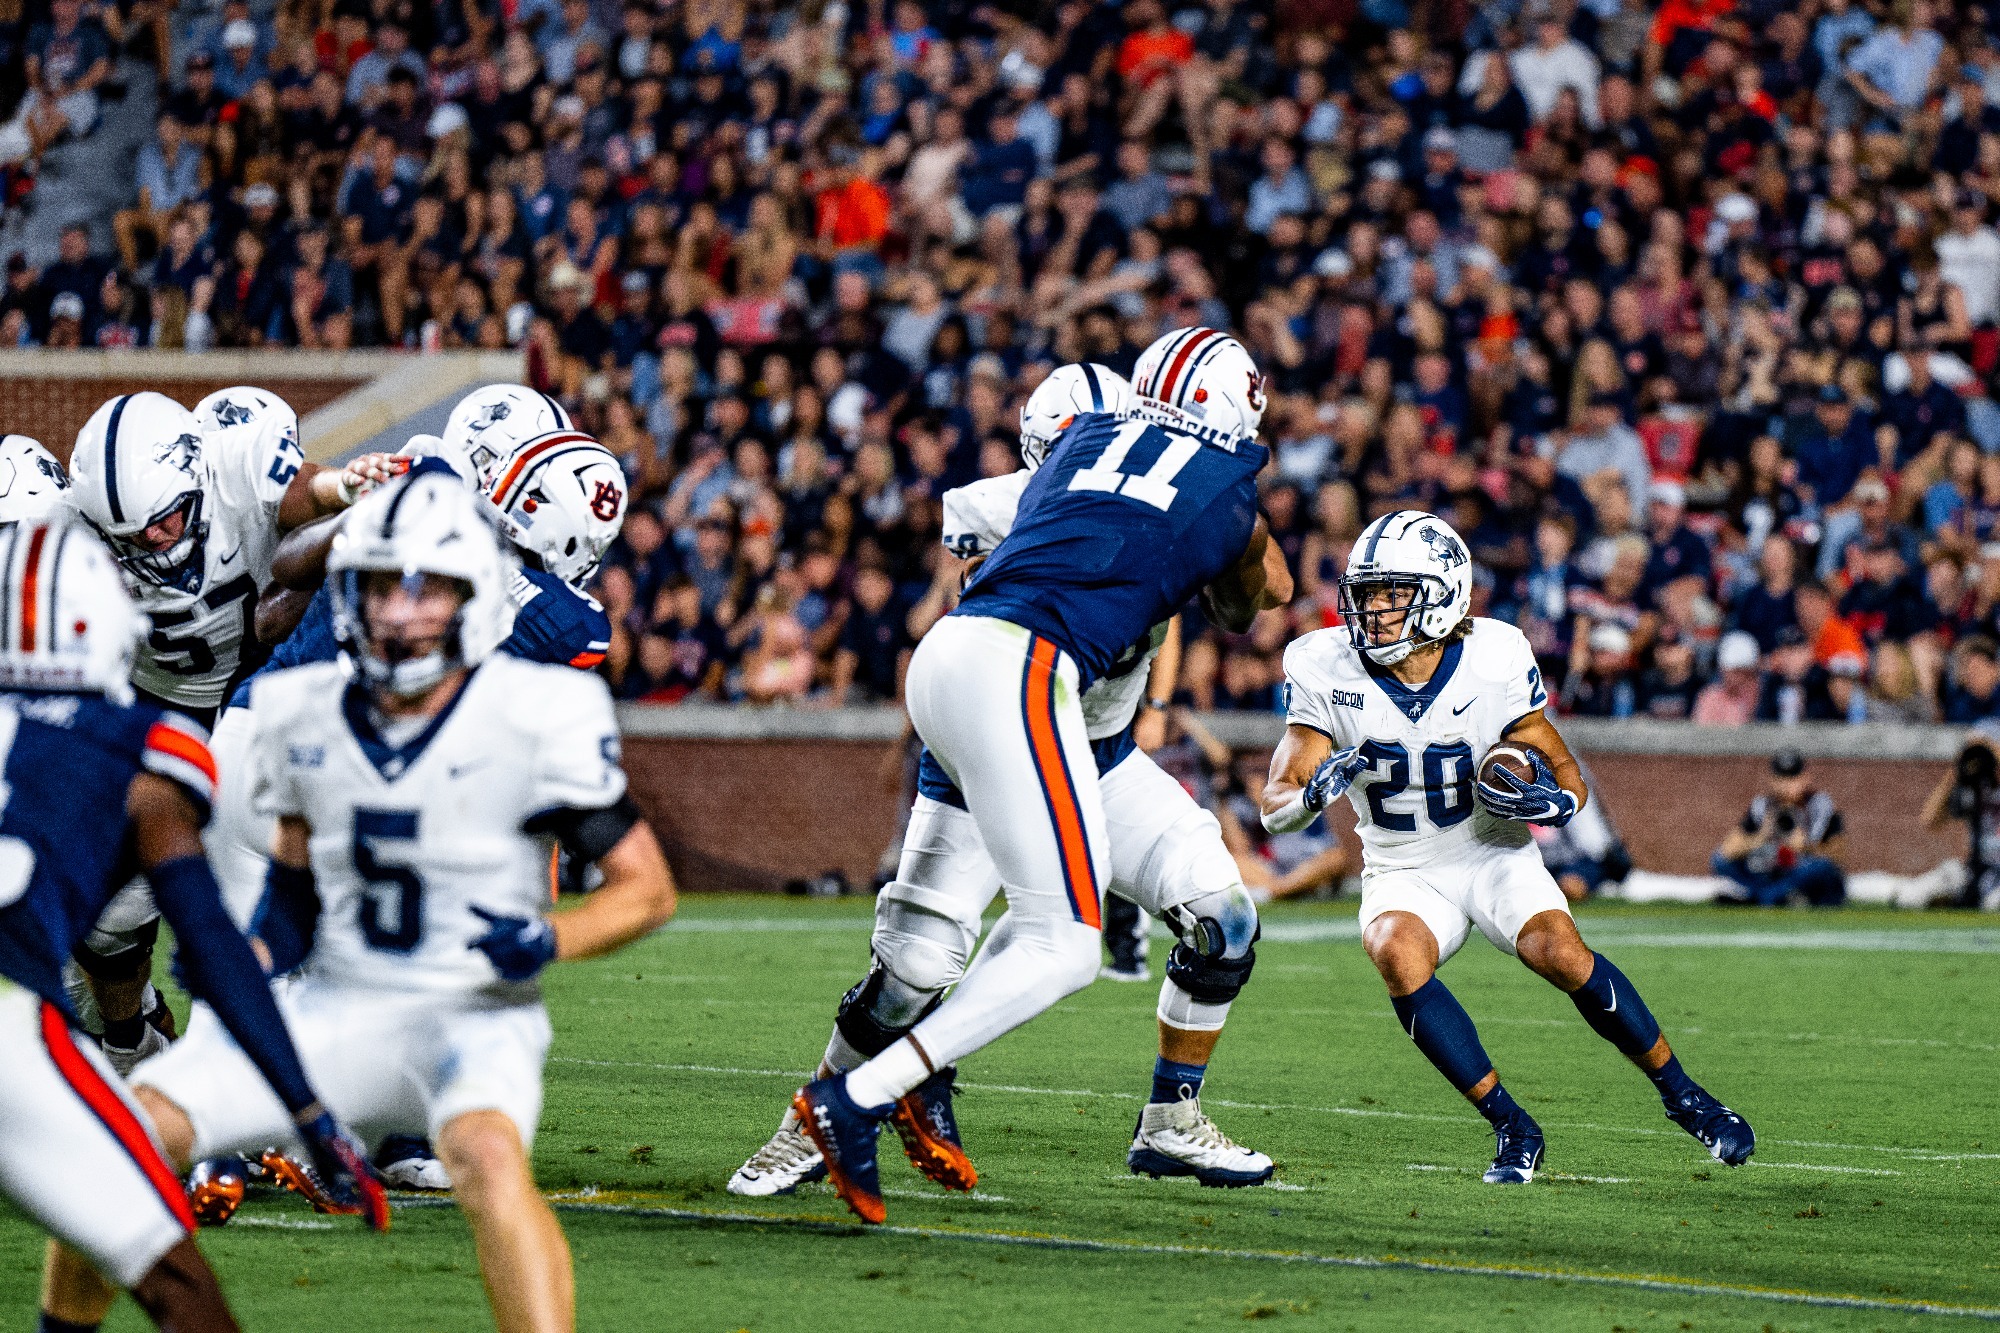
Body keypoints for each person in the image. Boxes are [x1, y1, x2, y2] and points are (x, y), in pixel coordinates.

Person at [103, 469, 676, 1333]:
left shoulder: (535, 712)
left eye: (427, 591)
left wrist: (547, 941)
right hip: (339, 1003)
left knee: (484, 1154)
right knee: (132, 1131)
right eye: (379, 588)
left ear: (475, 599)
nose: (401, 612)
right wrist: (252, 955)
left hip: (463, 1010)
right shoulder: (301, 708)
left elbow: (648, 889)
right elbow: (291, 895)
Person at [732, 361, 1277, 1202]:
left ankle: (1171, 1122)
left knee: (1222, 911)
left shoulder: (1148, 491)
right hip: (1001, 738)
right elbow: (982, 568)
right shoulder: (1023, 498)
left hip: (1098, 752)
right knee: (916, 963)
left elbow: (1235, 587)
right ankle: (813, 1117)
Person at [1265, 509, 1753, 1184]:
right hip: (1402, 865)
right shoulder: (1323, 665)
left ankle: (1686, 1096)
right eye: (1367, 592)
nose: (1372, 609)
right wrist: (1314, 793)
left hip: (1490, 848)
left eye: (1391, 593)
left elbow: (1565, 770)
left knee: (1558, 950)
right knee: (1392, 949)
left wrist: (1554, 801)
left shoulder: (1493, 655)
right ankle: (1512, 1124)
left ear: (1442, 595)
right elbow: (1276, 805)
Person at [6, 517, 384, 1333]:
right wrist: (311, 1115)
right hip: (9, 1035)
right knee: (180, 1289)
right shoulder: (141, 755)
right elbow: (213, 952)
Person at [59, 389, 399, 1077]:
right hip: (162, 712)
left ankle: (302, 1078)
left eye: (162, 521)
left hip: (259, 707)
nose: (154, 543)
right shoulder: (72, 526)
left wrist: (342, 487)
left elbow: (308, 494)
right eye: (130, 537)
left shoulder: (238, 464)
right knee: (106, 920)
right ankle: (134, 1044)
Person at [1711, 750, 1847, 906]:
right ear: (1772, 780)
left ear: (1805, 778)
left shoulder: (1819, 805)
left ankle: (1759, 898)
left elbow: (1838, 856)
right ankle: (1776, 897)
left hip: (1802, 871)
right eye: (1782, 779)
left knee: (1821, 868)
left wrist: (1805, 847)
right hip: (1771, 870)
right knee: (1719, 860)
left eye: (1793, 778)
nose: (1787, 785)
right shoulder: (1762, 806)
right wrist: (1761, 837)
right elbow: (1727, 851)